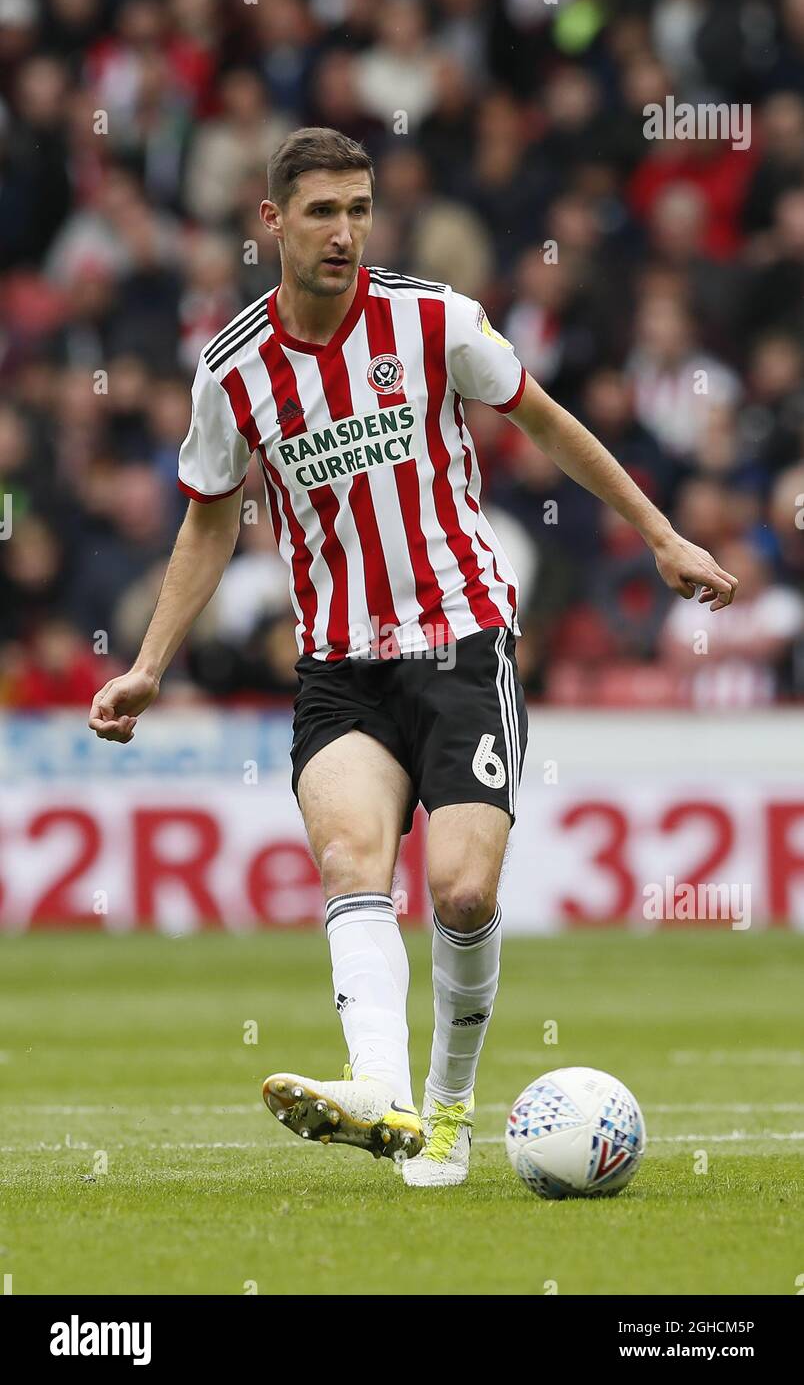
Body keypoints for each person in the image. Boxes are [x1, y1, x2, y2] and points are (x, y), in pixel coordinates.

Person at [88, 127, 738, 1188]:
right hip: (340, 665)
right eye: (321, 212)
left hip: (459, 639)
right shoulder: (232, 369)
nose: (345, 232)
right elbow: (206, 520)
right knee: (355, 862)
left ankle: (447, 1106)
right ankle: (380, 1091)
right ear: (272, 223)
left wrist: (661, 535)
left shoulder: (431, 318)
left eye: (359, 209)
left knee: (464, 892)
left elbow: (544, 419)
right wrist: (152, 664)